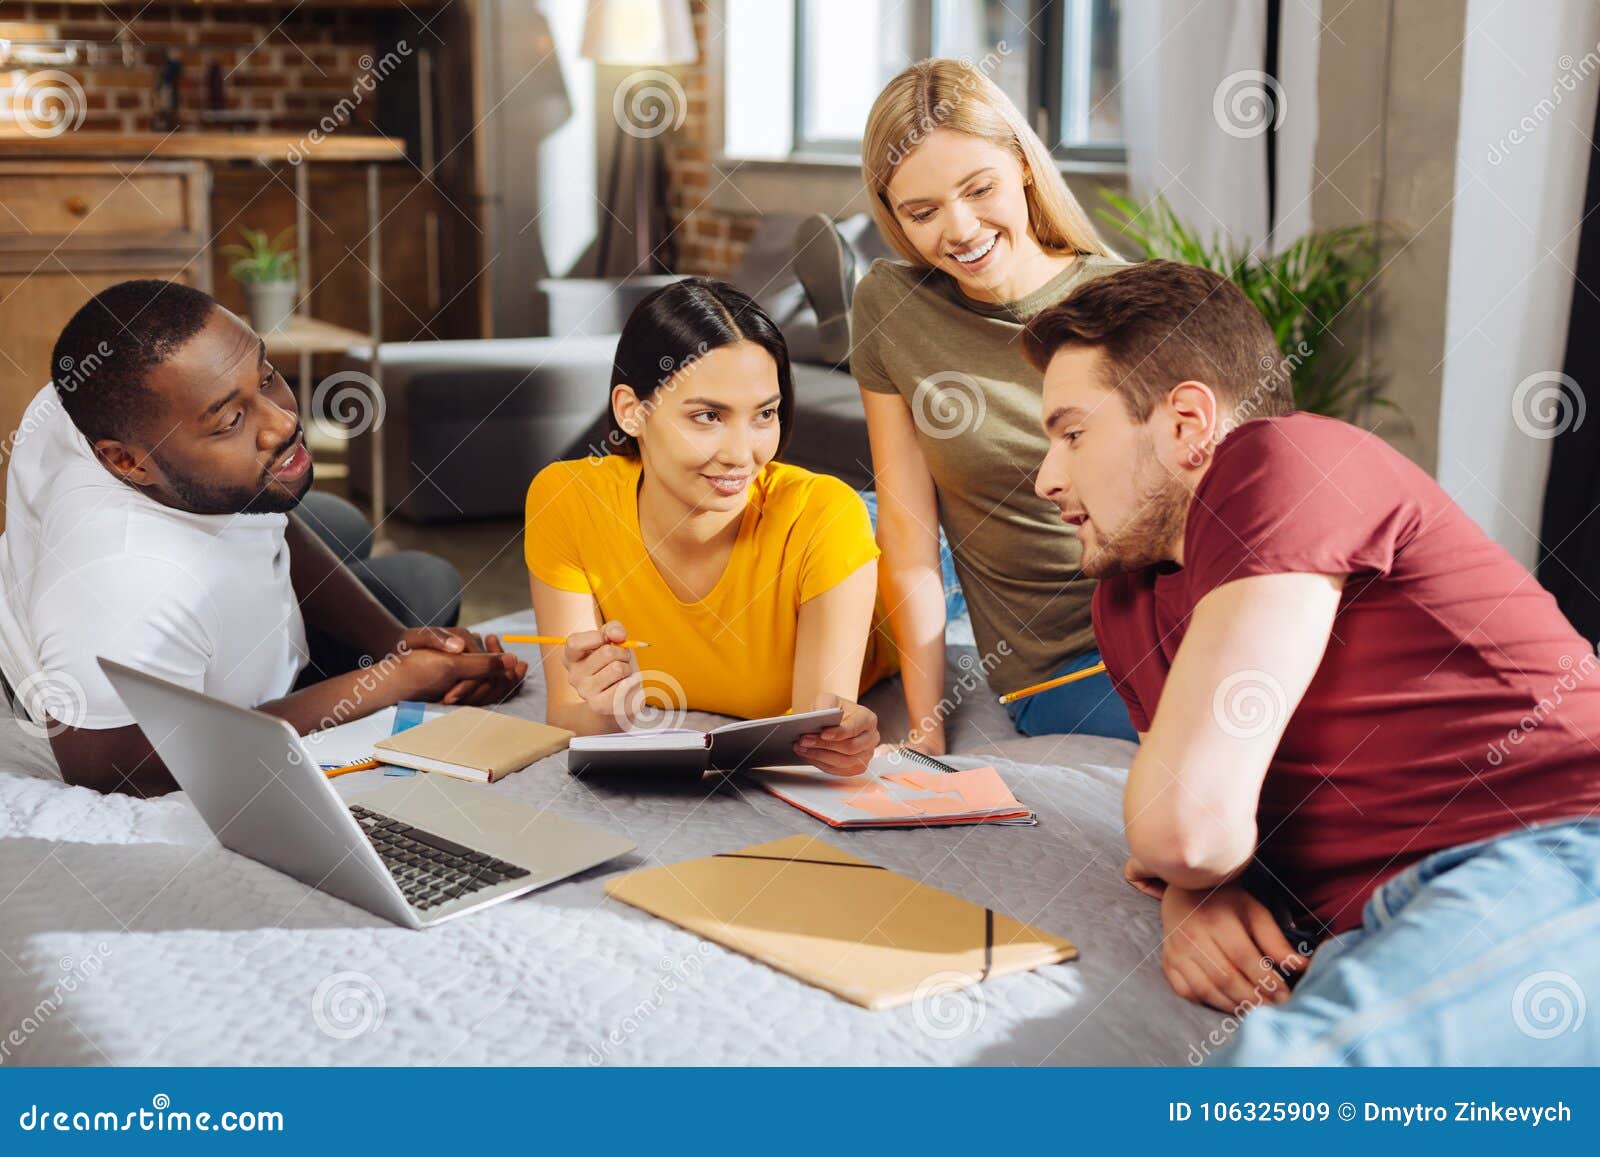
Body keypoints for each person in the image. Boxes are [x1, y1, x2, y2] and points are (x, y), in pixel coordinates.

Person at [1025, 258, 1600, 1064]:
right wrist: (1194, 896)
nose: (1047, 478)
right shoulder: (1123, 605)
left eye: (1072, 433)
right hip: (1359, 932)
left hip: (1555, 847)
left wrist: (1192, 869)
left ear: (1188, 423)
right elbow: (1205, 830)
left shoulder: (1288, 460)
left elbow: (1186, 825)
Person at [0, 280, 526, 798]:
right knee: (423, 585)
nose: (284, 422)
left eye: (268, 376)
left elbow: (265, 512)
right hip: (138, 685)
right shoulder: (125, 584)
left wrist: (391, 641)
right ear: (127, 462)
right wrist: (393, 679)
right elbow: (109, 768)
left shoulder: (127, 388)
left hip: (181, 539)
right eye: (231, 419)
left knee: (340, 523)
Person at [852, 57, 1134, 753]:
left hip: (1183, 625)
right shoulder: (893, 308)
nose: (960, 229)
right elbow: (909, 541)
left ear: (1024, 166)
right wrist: (925, 729)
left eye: (980, 189)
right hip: (1060, 667)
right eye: (921, 212)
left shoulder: (1126, 301)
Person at [525, 279, 886, 777]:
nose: (742, 455)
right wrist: (606, 709)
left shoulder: (824, 517)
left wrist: (839, 744)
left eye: (765, 414)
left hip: (879, 539)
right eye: (708, 416)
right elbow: (569, 720)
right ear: (632, 411)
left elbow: (811, 736)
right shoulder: (566, 500)